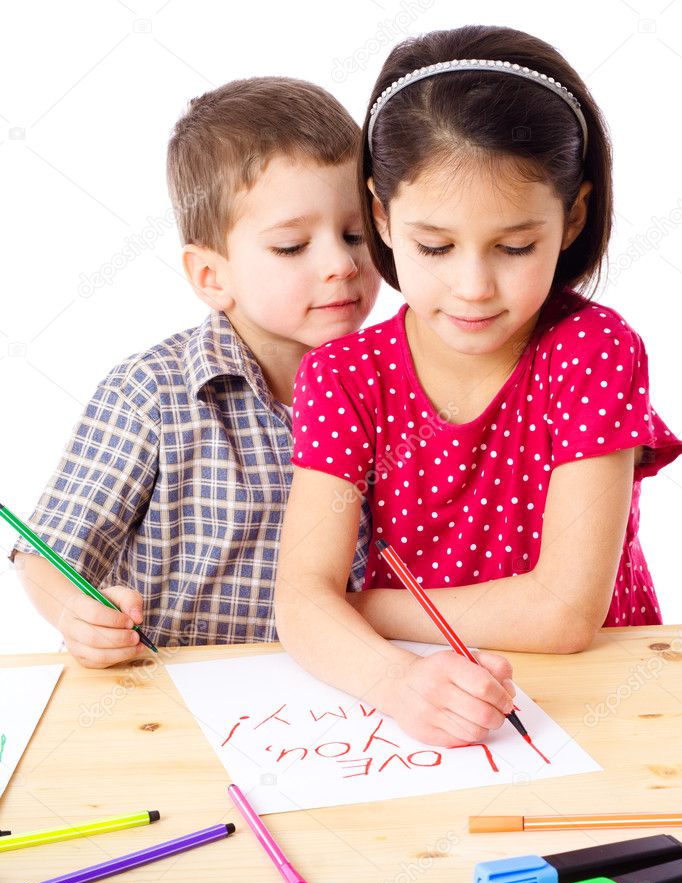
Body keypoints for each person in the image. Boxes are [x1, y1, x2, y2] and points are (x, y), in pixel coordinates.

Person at [275, 26, 682, 748]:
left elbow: (562, 612)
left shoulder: (593, 351)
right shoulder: (344, 375)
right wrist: (394, 679)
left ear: (573, 217)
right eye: (435, 246)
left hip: (606, 701)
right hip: (433, 695)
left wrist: (359, 607)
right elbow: (301, 598)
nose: (472, 287)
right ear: (380, 216)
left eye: (515, 247)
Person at [11, 77, 380, 666]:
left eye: (357, 234)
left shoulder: (399, 388)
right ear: (211, 275)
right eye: (291, 246)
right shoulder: (152, 392)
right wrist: (74, 612)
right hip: (171, 701)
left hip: (336, 703)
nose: (341, 264)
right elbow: (47, 552)